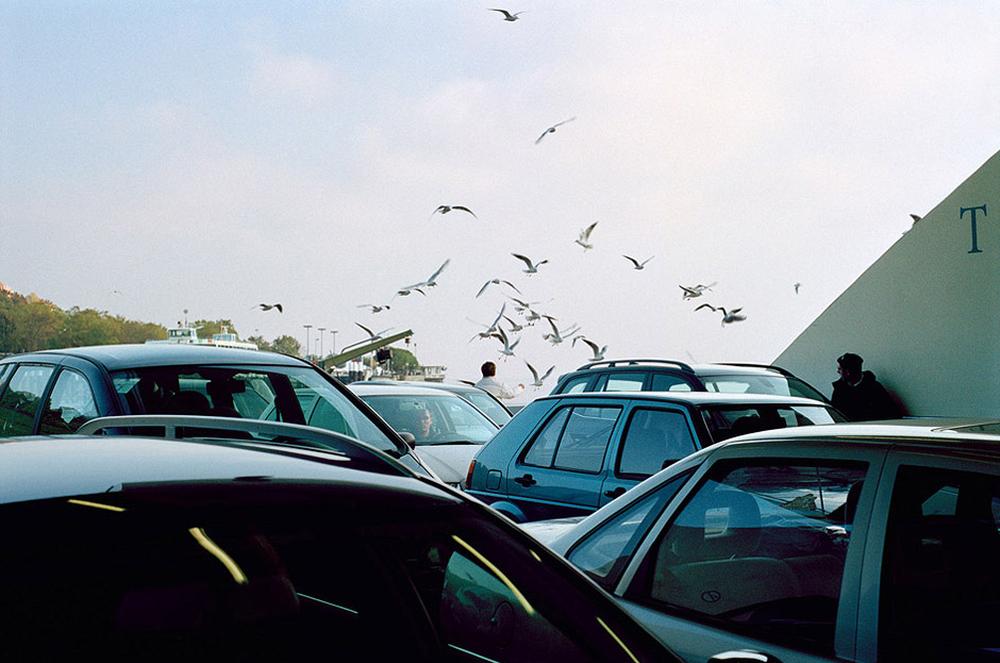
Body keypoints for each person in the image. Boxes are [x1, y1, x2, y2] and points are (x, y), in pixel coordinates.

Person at [831, 352, 900, 421]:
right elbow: (834, 413)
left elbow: (890, 413)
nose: (838, 371)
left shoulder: (875, 389)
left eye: (840, 369)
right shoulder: (839, 389)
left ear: (848, 372)